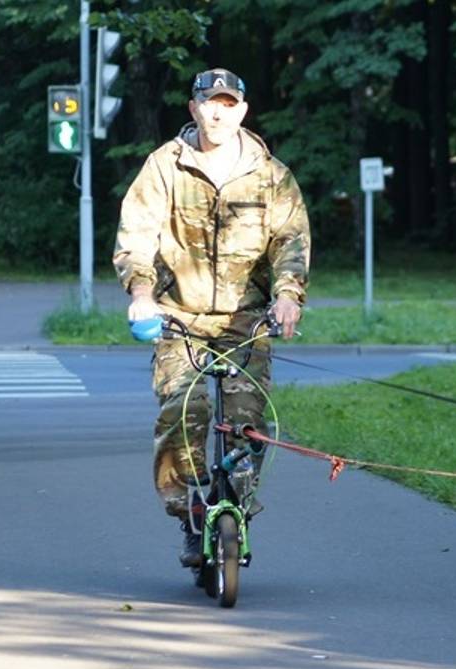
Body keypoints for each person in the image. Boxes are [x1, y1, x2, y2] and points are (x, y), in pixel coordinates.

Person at [113, 66, 310, 567]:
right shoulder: (164, 167)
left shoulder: (271, 175)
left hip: (246, 320)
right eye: (209, 102)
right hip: (178, 315)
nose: (217, 112)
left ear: (242, 110)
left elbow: (290, 240)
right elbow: (137, 234)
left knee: (247, 423)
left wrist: (288, 296)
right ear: (193, 108)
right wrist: (141, 292)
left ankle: (236, 507)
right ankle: (189, 512)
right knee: (185, 410)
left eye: (228, 103)